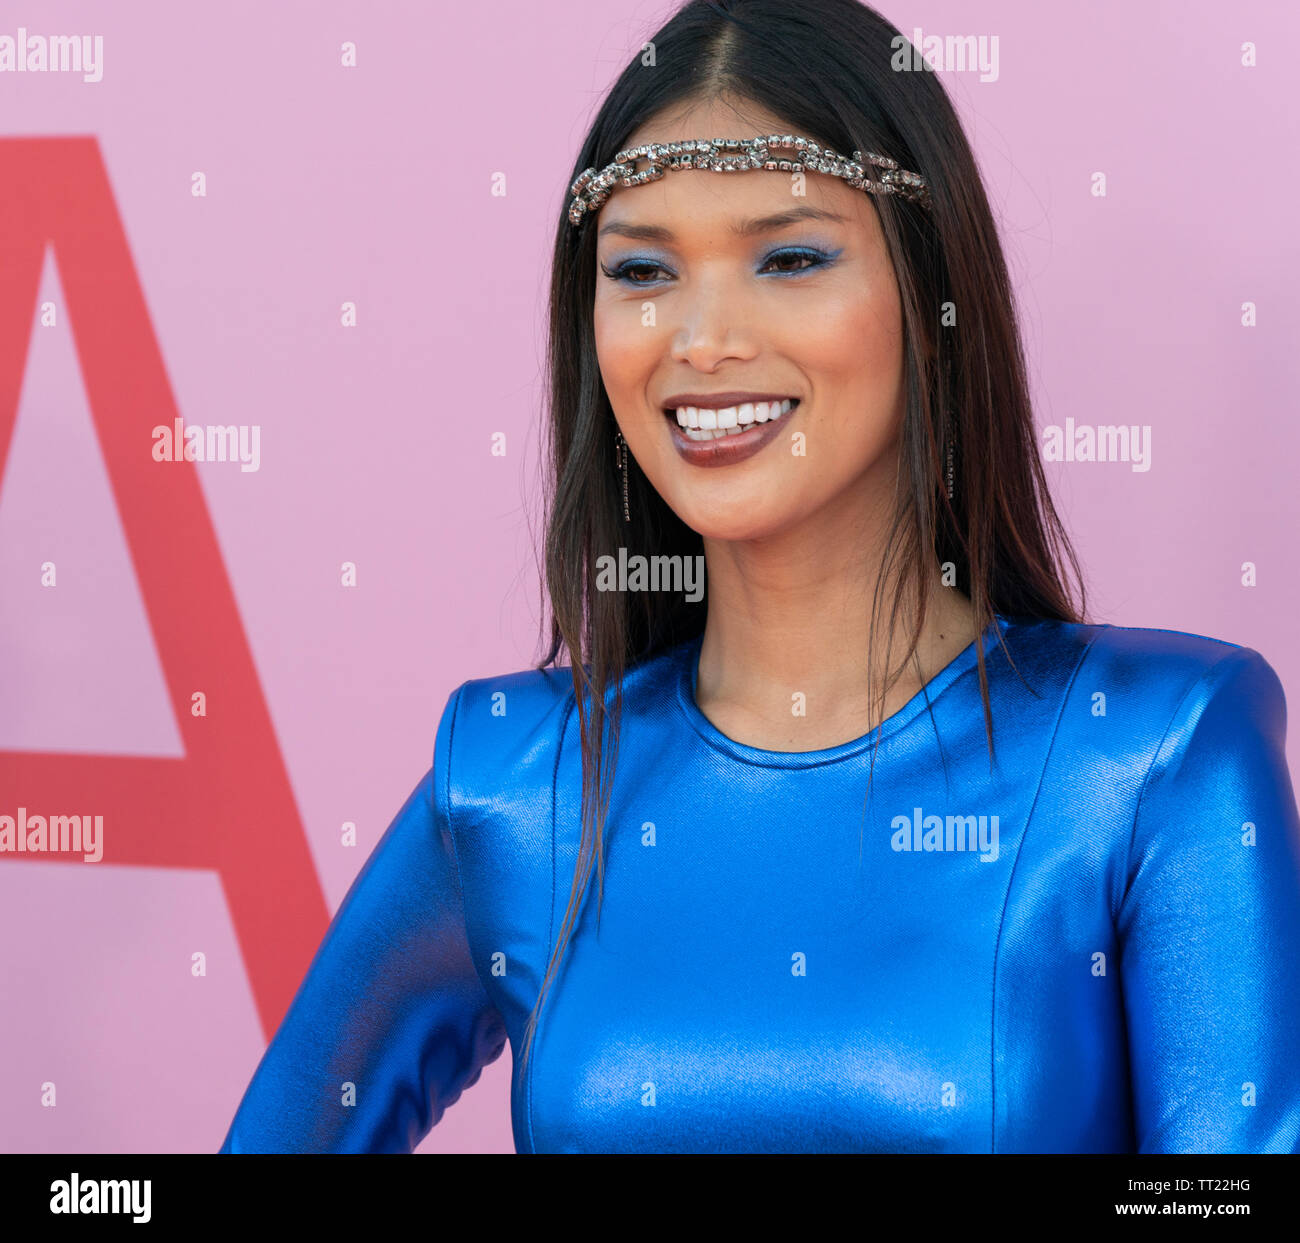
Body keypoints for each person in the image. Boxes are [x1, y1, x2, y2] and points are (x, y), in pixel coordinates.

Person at [218, 0, 1300, 1154]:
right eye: (641, 269)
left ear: (931, 307)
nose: (703, 338)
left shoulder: (1151, 751)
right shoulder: (510, 779)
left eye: (789, 257)